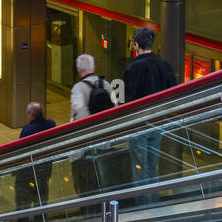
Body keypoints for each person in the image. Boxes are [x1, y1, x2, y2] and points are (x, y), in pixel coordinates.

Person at [122, 26, 178, 205]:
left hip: (138, 125)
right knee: (152, 166)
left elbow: (127, 101)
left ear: (136, 45)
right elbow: (173, 92)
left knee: (139, 168)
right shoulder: (164, 65)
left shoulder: (133, 68)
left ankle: (143, 207)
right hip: (158, 123)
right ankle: (153, 204)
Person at [69, 54, 116, 198]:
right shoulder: (107, 85)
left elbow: (80, 114)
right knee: (104, 177)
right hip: (104, 140)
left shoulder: (78, 88)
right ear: (93, 67)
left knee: (84, 178)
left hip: (84, 147)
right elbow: (115, 108)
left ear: (78, 69)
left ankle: (87, 204)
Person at [14, 101, 57, 210]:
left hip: (30, 170)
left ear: (31, 115)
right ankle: (41, 215)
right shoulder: (51, 124)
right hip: (46, 167)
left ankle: (23, 216)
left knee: (24, 194)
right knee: (42, 190)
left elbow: (21, 149)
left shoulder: (27, 130)